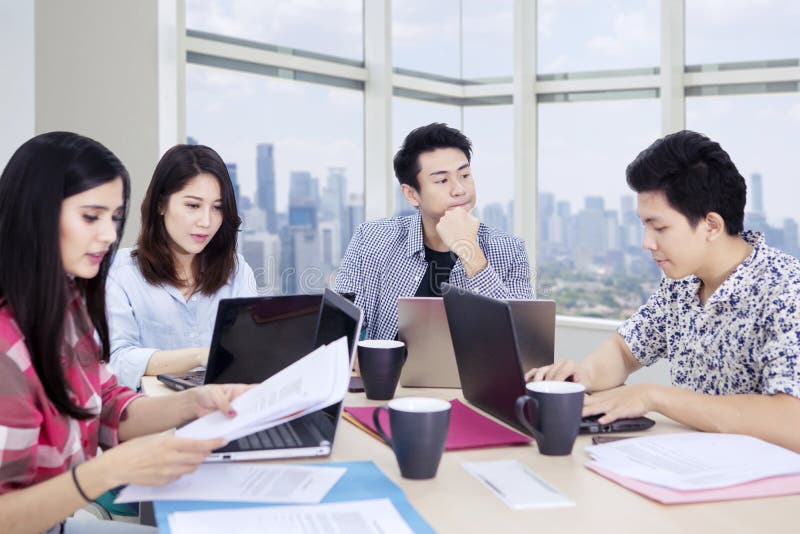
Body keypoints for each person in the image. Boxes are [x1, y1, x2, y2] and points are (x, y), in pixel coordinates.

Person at [0, 132, 248, 533]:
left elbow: (108, 404)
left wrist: (198, 401)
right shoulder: (6, 344)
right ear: (36, 212)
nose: (110, 235)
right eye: (91, 216)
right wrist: (109, 471)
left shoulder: (67, 306)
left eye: (114, 218)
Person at [528, 130, 800, 452]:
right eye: (644, 226)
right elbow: (624, 350)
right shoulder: (681, 283)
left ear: (711, 225)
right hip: (689, 465)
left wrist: (653, 396)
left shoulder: (786, 291)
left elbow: (791, 420)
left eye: (660, 228)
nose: (647, 242)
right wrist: (584, 374)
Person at [336, 123, 532, 340]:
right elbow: (344, 327)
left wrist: (470, 252)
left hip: (472, 375)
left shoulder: (510, 249)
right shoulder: (372, 239)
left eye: (465, 175)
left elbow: (521, 339)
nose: (460, 189)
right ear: (411, 194)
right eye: (442, 180)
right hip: (389, 373)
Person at [107, 144, 257, 389]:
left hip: (224, 409)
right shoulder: (121, 273)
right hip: (151, 415)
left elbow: (250, 352)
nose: (206, 222)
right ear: (161, 204)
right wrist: (200, 355)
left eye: (217, 207)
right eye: (193, 206)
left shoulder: (237, 270)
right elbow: (118, 361)